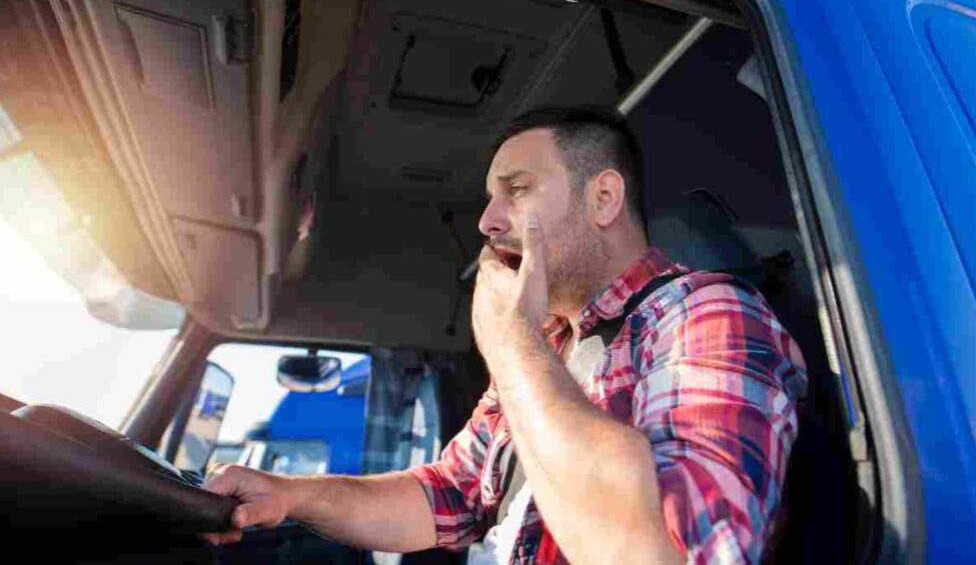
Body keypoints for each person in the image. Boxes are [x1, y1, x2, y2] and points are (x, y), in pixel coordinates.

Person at [203, 107, 808, 564]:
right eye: (491, 198)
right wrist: (288, 494)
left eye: (516, 191)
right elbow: (450, 493)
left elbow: (672, 552)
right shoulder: (550, 346)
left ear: (603, 198)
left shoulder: (707, 313)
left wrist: (511, 340)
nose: (487, 221)